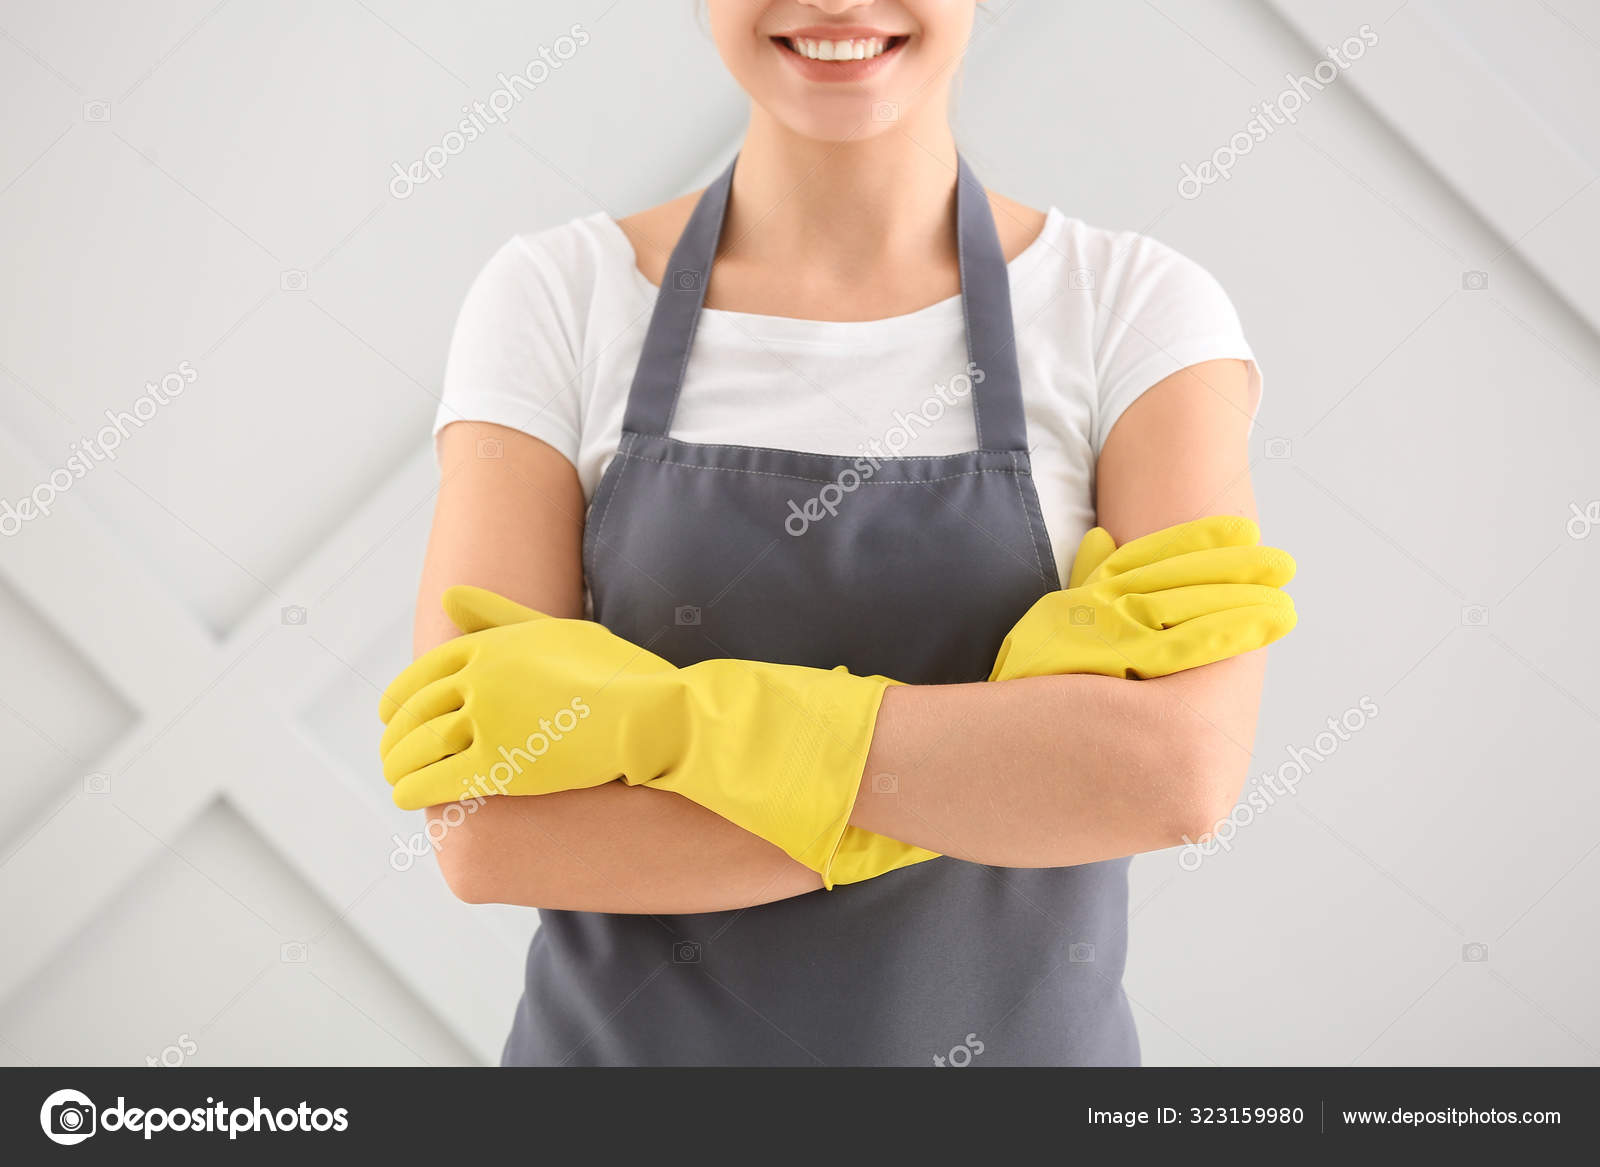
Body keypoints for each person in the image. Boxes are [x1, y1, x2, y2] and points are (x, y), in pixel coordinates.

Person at [378, 0, 1294, 1066]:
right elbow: (488, 829)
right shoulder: (557, 297)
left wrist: (668, 726)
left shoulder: (1134, 312)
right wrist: (1011, 760)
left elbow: (1176, 778)